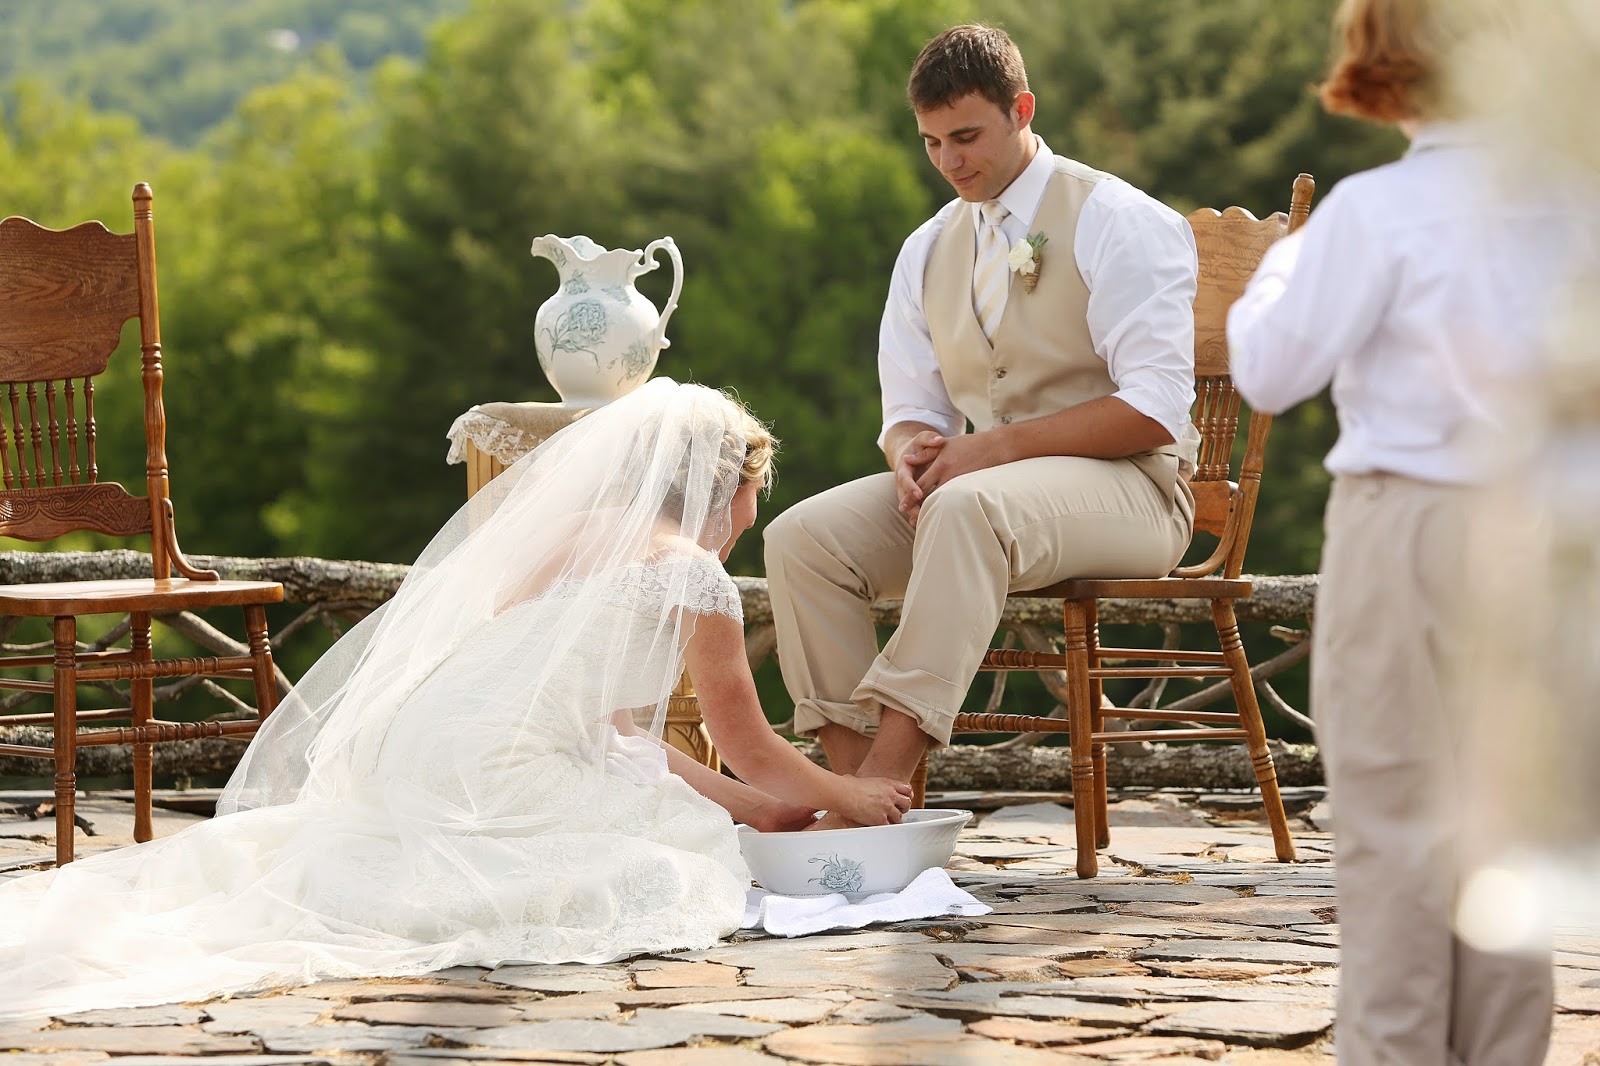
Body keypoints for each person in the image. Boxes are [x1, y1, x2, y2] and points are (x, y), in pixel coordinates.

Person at [0, 379, 912, 1020]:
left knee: (693, 826)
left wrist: (767, 811)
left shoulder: (574, 537)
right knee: (674, 868)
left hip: (421, 745)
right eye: (756, 494)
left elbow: (613, 732)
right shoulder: (698, 580)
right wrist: (850, 797)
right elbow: (743, 739)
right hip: (494, 768)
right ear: (737, 491)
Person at [1226, 1, 1565, 1061]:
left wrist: (1280, 263)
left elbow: (1272, 369)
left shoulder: (1375, 214)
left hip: (1405, 522)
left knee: (1392, 828)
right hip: (1541, 527)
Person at [764, 25, 1200, 829]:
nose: (950, 161)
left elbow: (1154, 410)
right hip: (985, 499)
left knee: (968, 509)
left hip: (1136, 494)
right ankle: (863, 799)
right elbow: (911, 411)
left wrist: (986, 451)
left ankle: (883, 784)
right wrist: (908, 456)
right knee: (803, 539)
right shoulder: (927, 247)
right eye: (931, 143)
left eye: (966, 136)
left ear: (1022, 109)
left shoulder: (1117, 219)